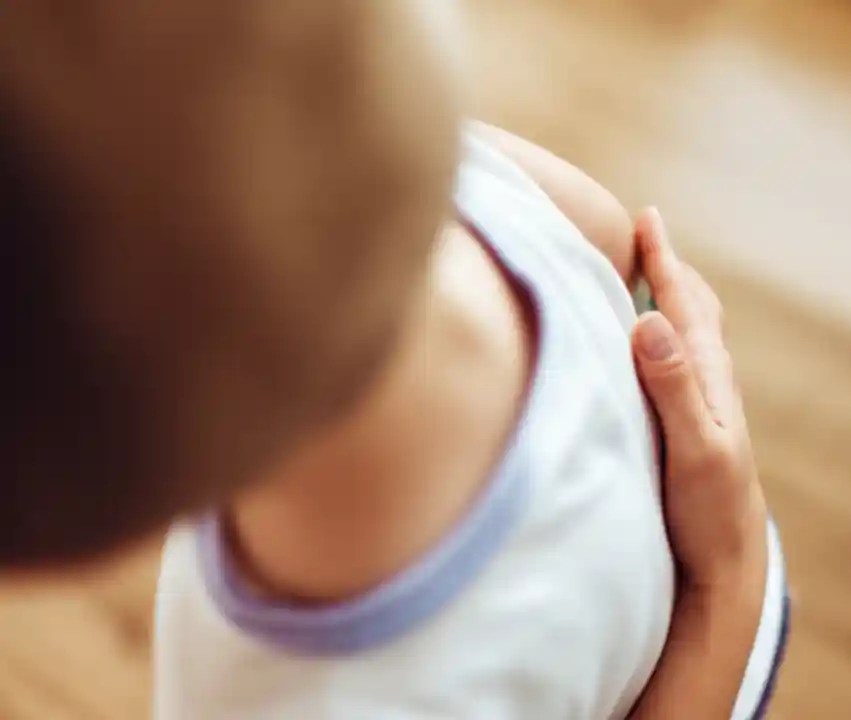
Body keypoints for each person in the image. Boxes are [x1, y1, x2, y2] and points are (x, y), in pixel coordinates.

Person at [0, 2, 786, 718]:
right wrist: (727, 575)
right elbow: (615, 249)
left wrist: (725, 584)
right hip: (711, 601)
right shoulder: (500, 188)